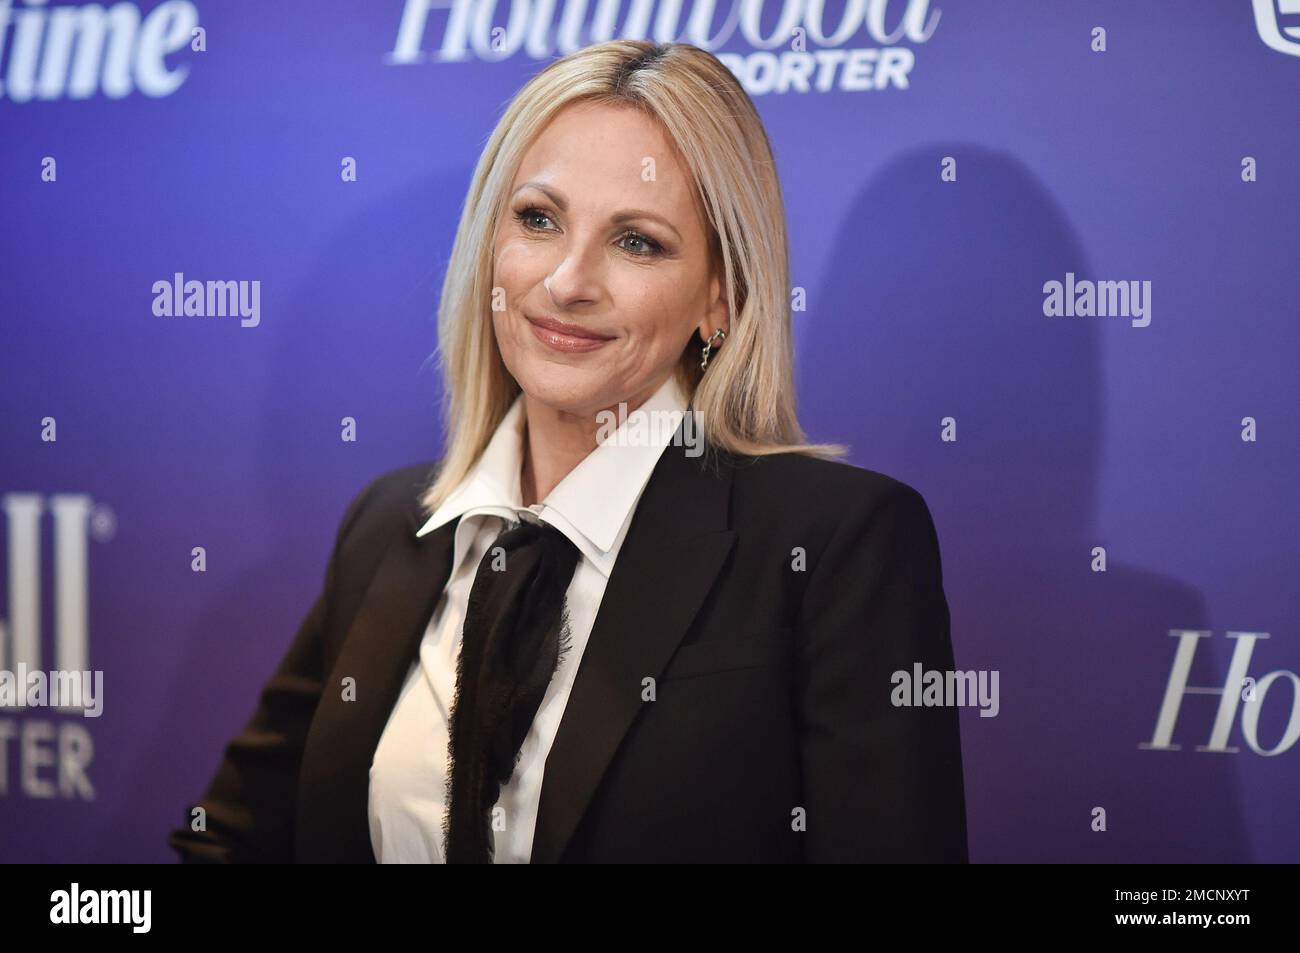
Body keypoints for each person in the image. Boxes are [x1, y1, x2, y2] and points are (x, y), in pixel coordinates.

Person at [168, 39, 967, 863]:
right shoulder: (390, 527)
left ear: (719, 296)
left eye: (638, 242)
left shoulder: (838, 544)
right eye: (539, 219)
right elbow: (229, 841)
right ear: (490, 247)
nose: (568, 281)